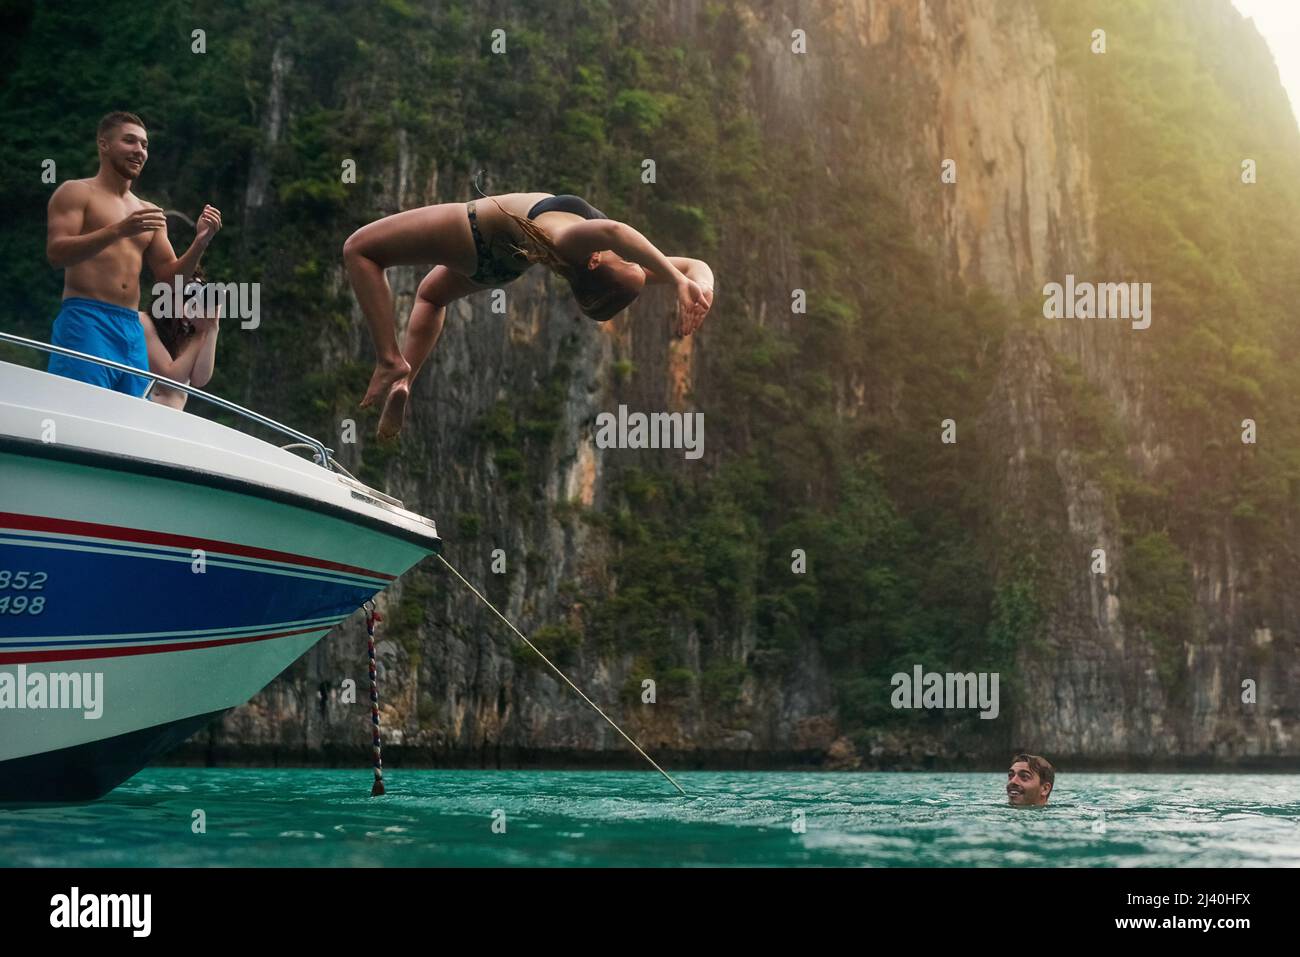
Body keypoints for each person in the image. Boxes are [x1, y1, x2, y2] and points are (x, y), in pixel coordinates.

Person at [343, 189, 715, 438]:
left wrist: (676, 283)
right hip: (501, 266)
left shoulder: (575, 242)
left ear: (597, 257)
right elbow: (695, 264)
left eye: (628, 260)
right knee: (431, 298)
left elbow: (617, 232)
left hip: (474, 232)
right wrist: (701, 290)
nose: (636, 259)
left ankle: (390, 360)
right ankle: (405, 381)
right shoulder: (594, 263)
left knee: (360, 250)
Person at [44, 110, 222, 396]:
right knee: (81, 407)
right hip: (88, 318)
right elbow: (57, 253)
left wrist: (201, 241)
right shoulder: (76, 192)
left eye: (144, 144)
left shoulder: (149, 212)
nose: (139, 150)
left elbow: (169, 281)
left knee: (130, 415)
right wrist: (118, 230)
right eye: (130, 141)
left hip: (131, 328)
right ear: (104, 144)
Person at [139, 265, 221, 410]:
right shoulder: (144, 322)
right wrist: (200, 334)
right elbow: (170, 379)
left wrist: (213, 328)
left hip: (174, 420)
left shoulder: (192, 333)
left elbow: (200, 379)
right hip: (147, 412)